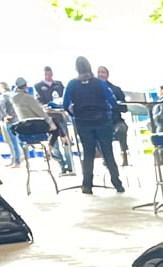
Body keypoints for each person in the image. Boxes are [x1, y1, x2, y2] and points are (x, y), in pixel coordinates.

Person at [64, 56, 123, 195]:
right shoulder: (99, 83)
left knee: (88, 153)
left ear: (76, 68)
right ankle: (117, 183)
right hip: (102, 121)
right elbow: (111, 99)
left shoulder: (72, 84)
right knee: (108, 152)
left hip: (83, 123)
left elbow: (65, 104)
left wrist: (75, 115)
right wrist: (111, 112)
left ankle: (87, 185)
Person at [35, 65, 73, 174]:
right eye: (46, 74)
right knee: (54, 143)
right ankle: (62, 165)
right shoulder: (38, 86)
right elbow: (38, 102)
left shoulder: (59, 84)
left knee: (66, 140)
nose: (48, 76)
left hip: (60, 116)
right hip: (49, 118)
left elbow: (65, 98)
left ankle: (70, 165)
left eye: (50, 74)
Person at [97, 65, 130, 166]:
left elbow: (124, 108)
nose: (101, 74)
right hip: (100, 121)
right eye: (99, 72)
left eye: (103, 72)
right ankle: (105, 157)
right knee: (95, 130)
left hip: (115, 120)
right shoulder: (93, 90)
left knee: (121, 128)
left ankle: (124, 154)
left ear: (107, 75)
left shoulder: (116, 89)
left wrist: (113, 105)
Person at [0, 81, 22, 167]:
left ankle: (17, 161)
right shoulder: (12, 94)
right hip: (17, 118)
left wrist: (4, 116)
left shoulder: (2, 96)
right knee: (18, 141)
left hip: (9, 120)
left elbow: (0, 106)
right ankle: (19, 158)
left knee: (13, 142)